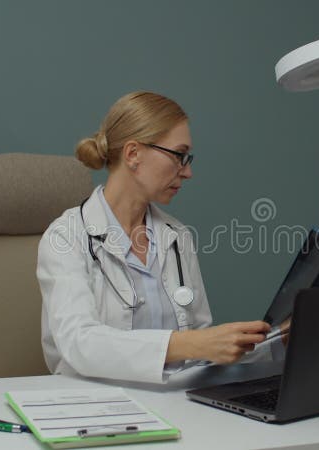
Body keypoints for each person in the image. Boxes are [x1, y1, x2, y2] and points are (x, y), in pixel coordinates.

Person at [38, 91, 281, 384]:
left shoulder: (176, 236)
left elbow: (201, 352)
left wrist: (272, 342)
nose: (188, 171)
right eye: (179, 156)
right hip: (96, 407)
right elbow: (79, 343)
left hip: (175, 404)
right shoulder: (65, 236)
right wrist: (189, 343)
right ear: (133, 154)